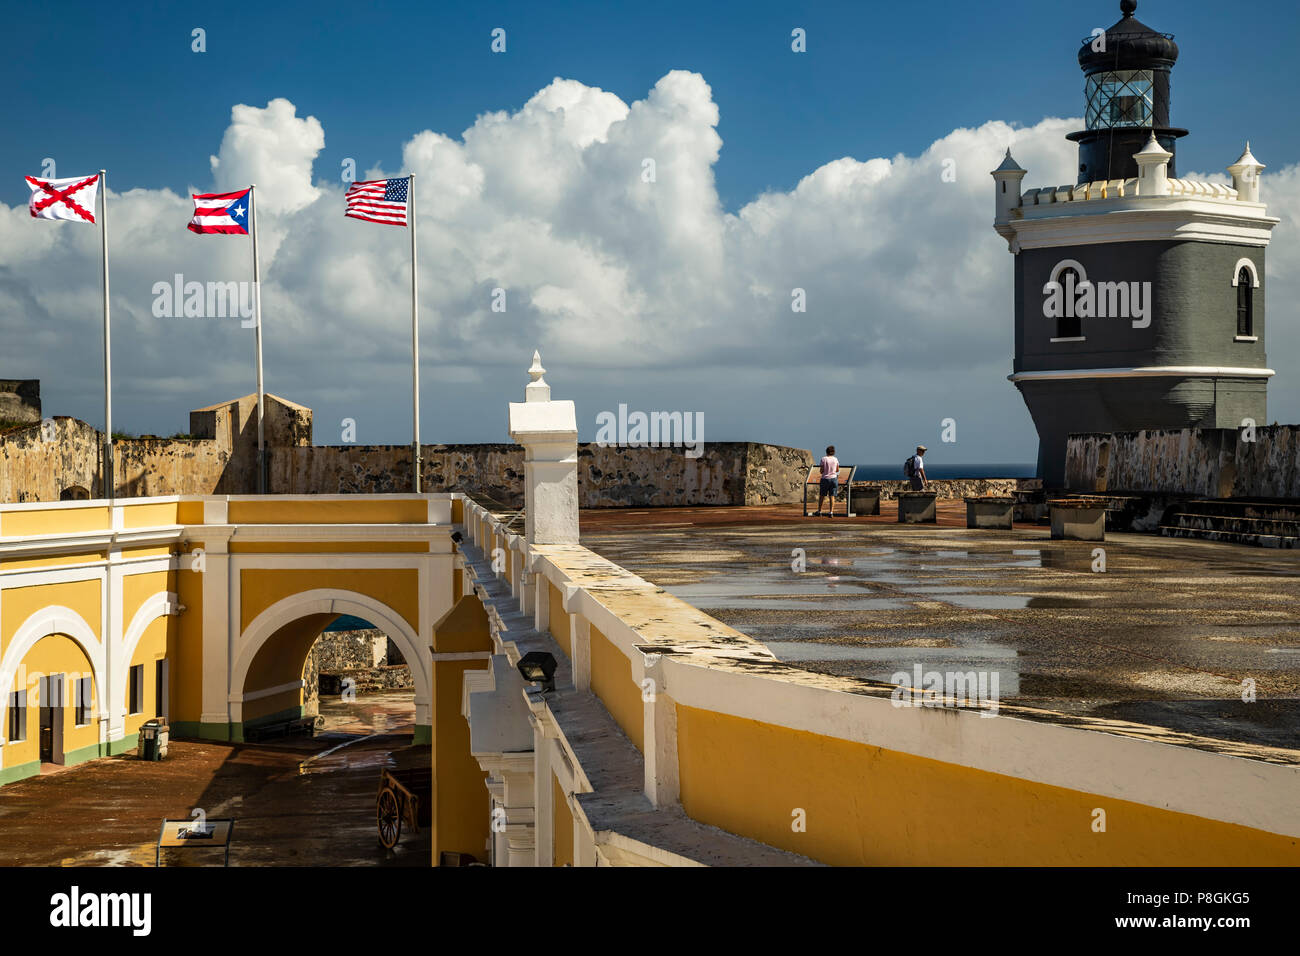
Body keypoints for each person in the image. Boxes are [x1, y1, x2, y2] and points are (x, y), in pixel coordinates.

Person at [815, 445, 840, 516]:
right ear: (833, 452)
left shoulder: (823, 459)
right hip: (834, 479)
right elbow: (837, 470)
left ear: (826, 452)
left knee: (822, 495)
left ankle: (819, 511)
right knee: (832, 496)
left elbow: (821, 471)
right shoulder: (835, 459)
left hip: (825, 479)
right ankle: (831, 512)